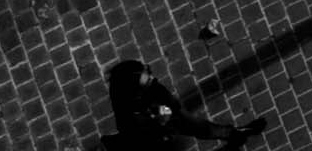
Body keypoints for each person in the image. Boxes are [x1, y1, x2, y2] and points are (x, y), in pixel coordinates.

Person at [104, 58, 256, 148]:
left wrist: (168, 109)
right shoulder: (131, 115)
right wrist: (161, 118)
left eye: (148, 72)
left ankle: (231, 133)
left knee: (197, 126)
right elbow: (154, 129)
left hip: (161, 118)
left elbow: (167, 102)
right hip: (152, 132)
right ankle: (232, 134)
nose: (151, 77)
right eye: (147, 78)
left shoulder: (129, 80)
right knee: (195, 126)